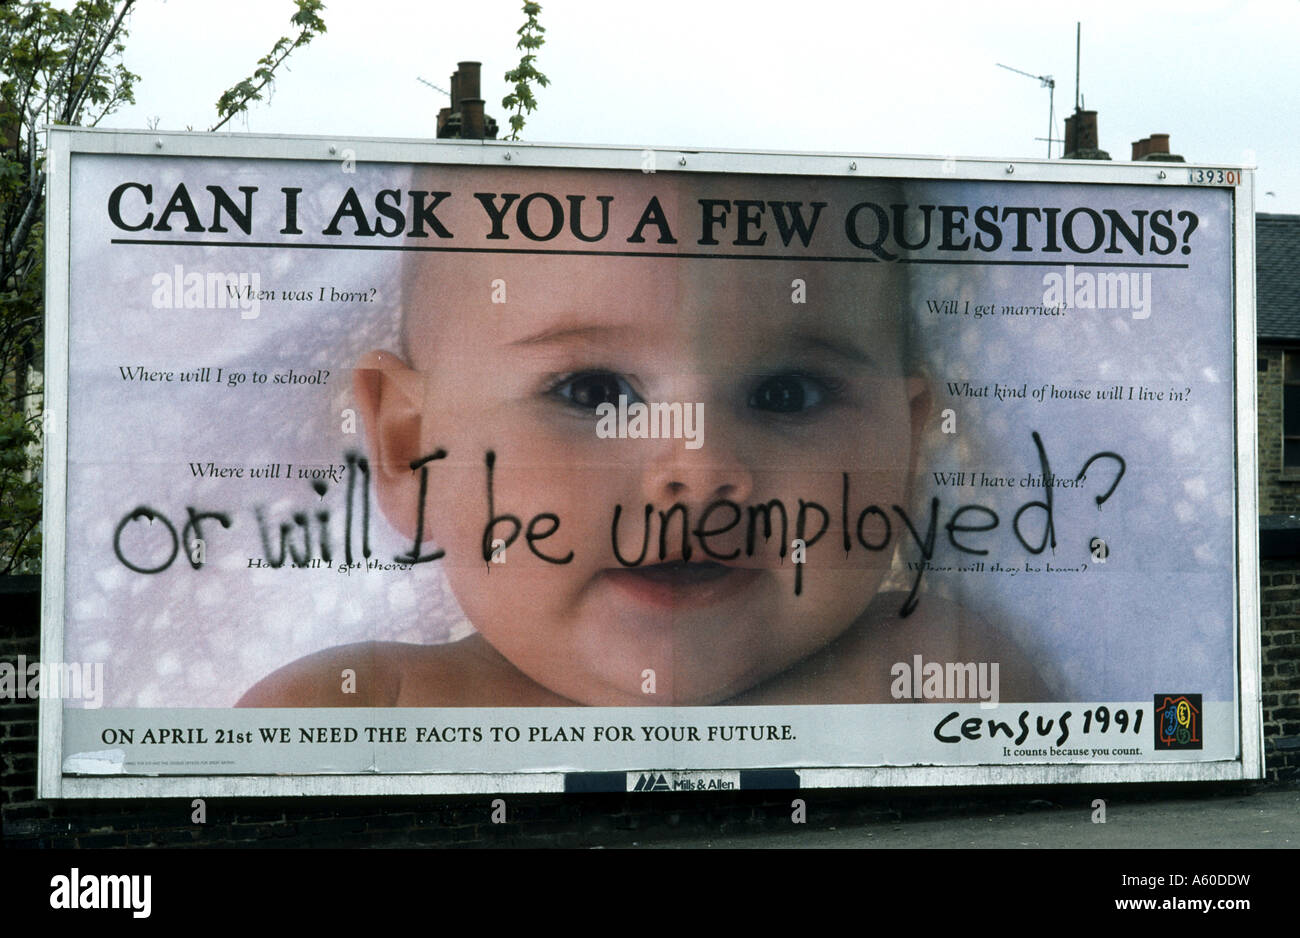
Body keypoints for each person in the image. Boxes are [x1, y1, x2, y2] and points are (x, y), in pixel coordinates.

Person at [238, 172, 1046, 708]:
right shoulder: (363, 707)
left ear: (904, 453)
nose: (698, 473)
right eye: (592, 392)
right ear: (411, 449)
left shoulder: (937, 674)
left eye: (786, 394)